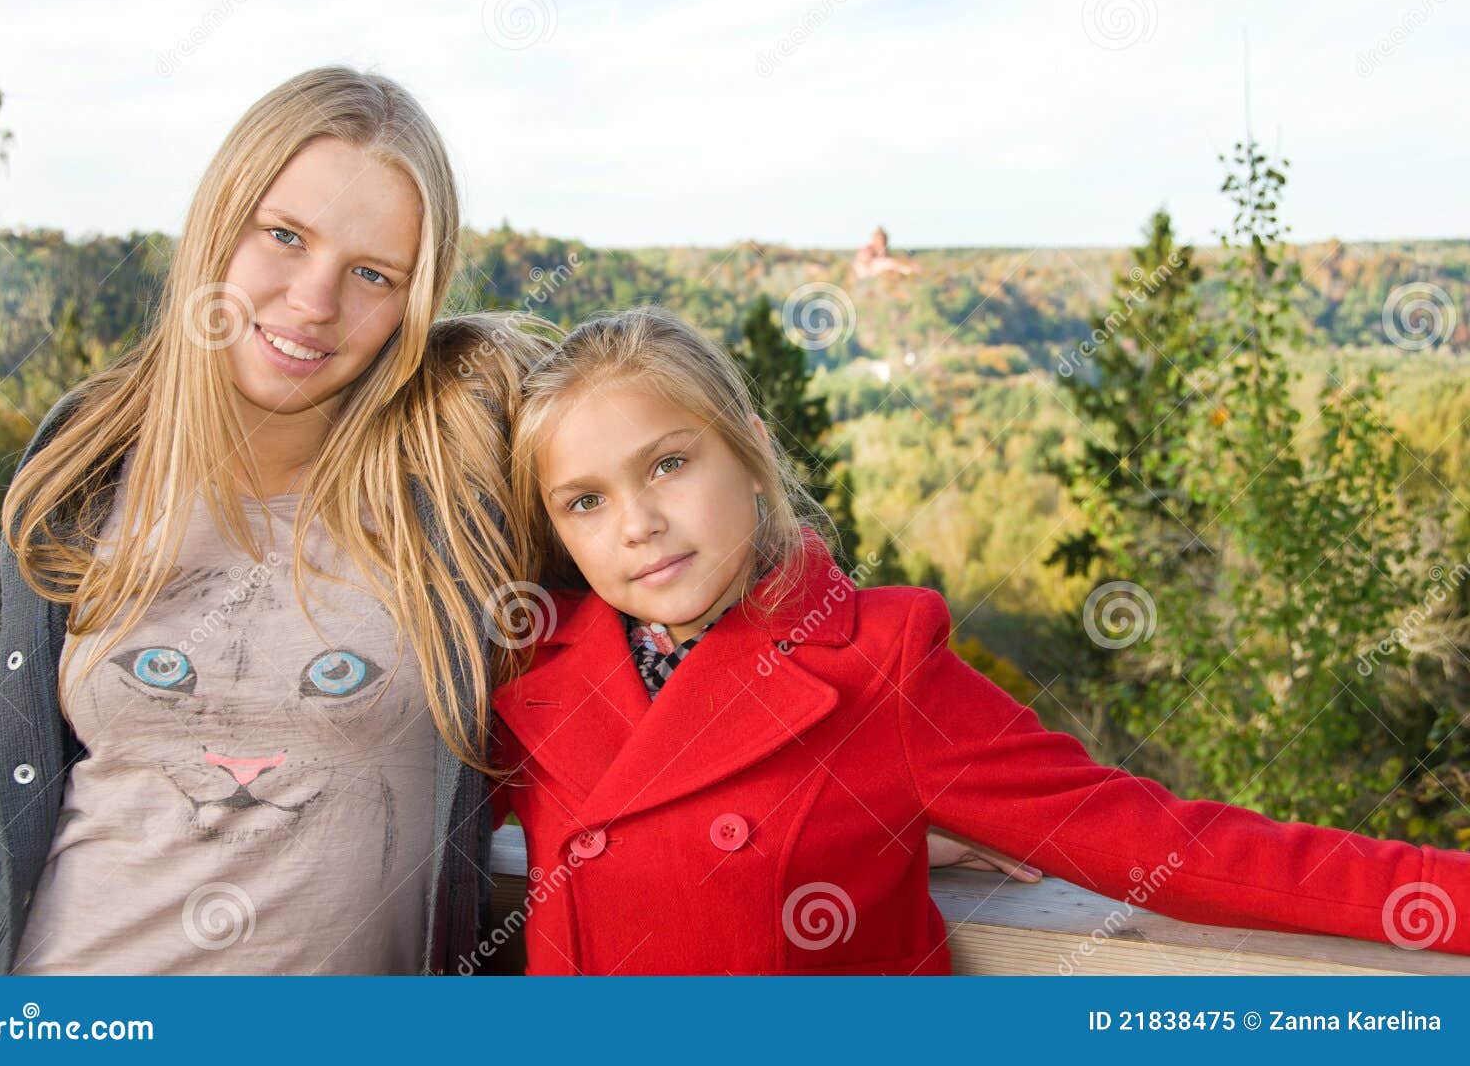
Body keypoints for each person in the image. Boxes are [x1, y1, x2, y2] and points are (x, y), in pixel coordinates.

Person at [490, 304, 1470, 974]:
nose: (636, 523)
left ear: (748, 452)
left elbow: (1174, 848)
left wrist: (1444, 895)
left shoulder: (877, 665)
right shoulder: (535, 669)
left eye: (666, 464)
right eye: (585, 499)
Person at [0, 67, 542, 975]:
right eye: (284, 235)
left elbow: (661, 615)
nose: (313, 301)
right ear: (220, 225)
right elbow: (34, 730)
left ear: (412, 305)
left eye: (372, 273)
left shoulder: (459, 475)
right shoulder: (90, 461)